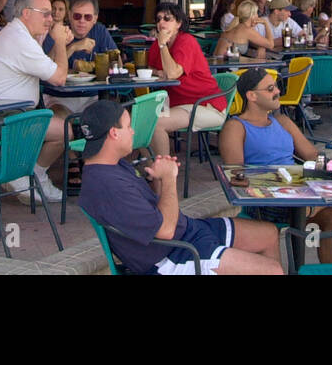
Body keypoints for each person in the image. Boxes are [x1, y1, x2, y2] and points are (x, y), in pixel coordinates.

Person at [79, 100, 282, 275]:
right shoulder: (106, 185)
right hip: (170, 256)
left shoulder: (111, 164)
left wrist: (159, 179)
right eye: (128, 126)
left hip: (186, 232)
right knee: (273, 270)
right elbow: (165, 231)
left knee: (269, 234)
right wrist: (168, 179)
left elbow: (157, 210)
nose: (133, 131)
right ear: (114, 133)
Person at [219, 70, 332, 263]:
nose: (277, 91)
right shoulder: (236, 127)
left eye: (276, 86)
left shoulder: (282, 121)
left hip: (297, 191)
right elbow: (236, 174)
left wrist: (324, 166)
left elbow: (311, 154)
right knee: (317, 205)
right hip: (264, 201)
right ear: (252, 96)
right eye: (270, 89)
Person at [0, 0, 70, 203]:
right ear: (26, 13)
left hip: (1, 112)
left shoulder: (18, 34)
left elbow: (48, 66)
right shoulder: (18, 39)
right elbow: (59, 78)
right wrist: (60, 42)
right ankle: (28, 176)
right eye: (45, 13)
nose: (50, 19)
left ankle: (29, 176)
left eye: (51, 14)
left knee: (61, 117)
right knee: (66, 130)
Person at [147, 2, 228, 157]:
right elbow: (149, 69)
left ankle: (164, 175)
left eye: (167, 18)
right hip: (178, 102)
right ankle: (153, 168)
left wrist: (163, 46)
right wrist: (159, 70)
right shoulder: (158, 45)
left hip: (205, 104)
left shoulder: (186, 41)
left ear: (179, 23)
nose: (161, 23)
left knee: (155, 124)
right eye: (158, 19)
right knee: (139, 122)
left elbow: (171, 73)